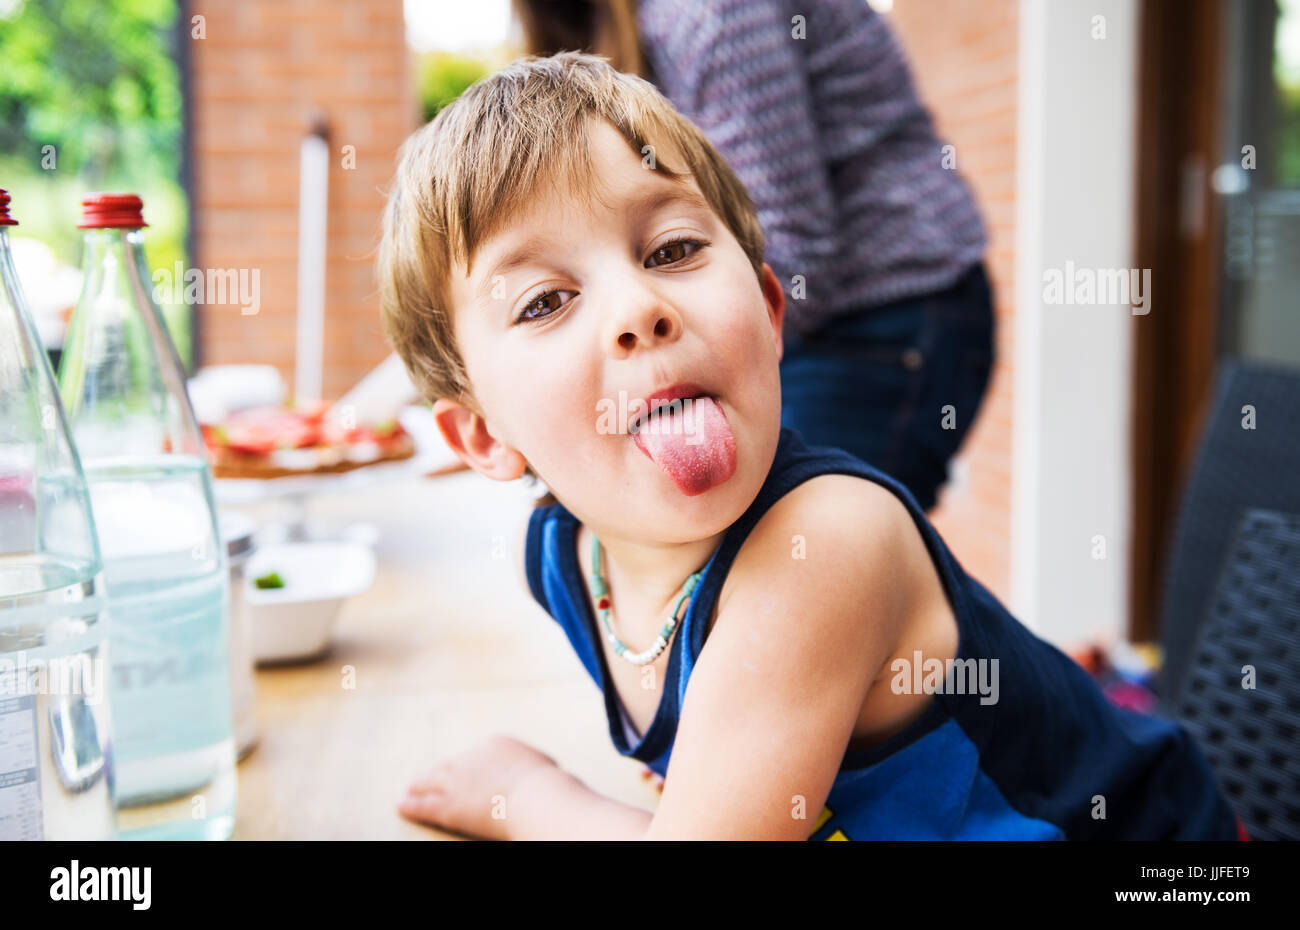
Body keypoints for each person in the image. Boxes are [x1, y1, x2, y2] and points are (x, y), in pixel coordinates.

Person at [377, 53, 1245, 840]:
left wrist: (533, 799)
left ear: (768, 307)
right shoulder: (567, 560)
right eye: (544, 301)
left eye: (672, 248)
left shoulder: (825, 547)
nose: (638, 309)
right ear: (484, 434)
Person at [512, 0, 994, 512]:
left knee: (799, 548)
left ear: (769, 303)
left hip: (885, 312)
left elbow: (796, 248)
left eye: (673, 251)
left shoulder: (714, 13)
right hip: (827, 318)